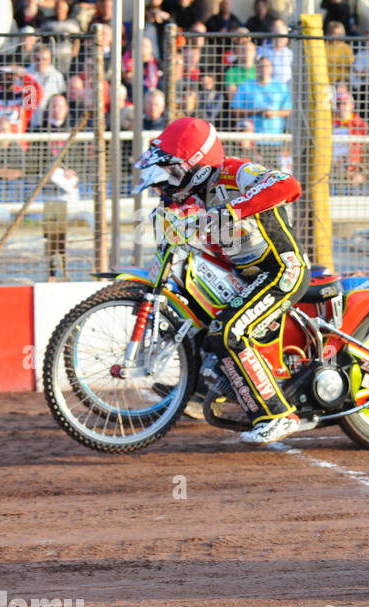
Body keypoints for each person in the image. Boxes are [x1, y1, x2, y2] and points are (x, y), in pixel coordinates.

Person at [131, 117, 306, 445]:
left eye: (174, 171)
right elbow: (172, 225)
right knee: (195, 312)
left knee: (228, 331)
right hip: (242, 273)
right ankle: (199, 390)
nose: (170, 181)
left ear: (196, 165)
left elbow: (289, 185)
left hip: (280, 271)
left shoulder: (234, 171)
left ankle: (277, 414)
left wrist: (232, 211)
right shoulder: (192, 192)